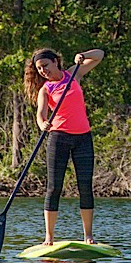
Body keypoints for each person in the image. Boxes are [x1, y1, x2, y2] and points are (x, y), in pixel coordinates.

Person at [25, 47, 106, 245]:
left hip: (83, 138)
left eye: (45, 65)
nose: (43, 71)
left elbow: (100, 55)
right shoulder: (45, 89)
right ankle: (49, 237)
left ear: (55, 61)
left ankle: (88, 236)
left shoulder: (73, 74)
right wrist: (42, 124)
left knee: (85, 187)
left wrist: (84, 56)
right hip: (58, 138)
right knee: (54, 188)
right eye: (39, 69)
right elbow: (40, 115)